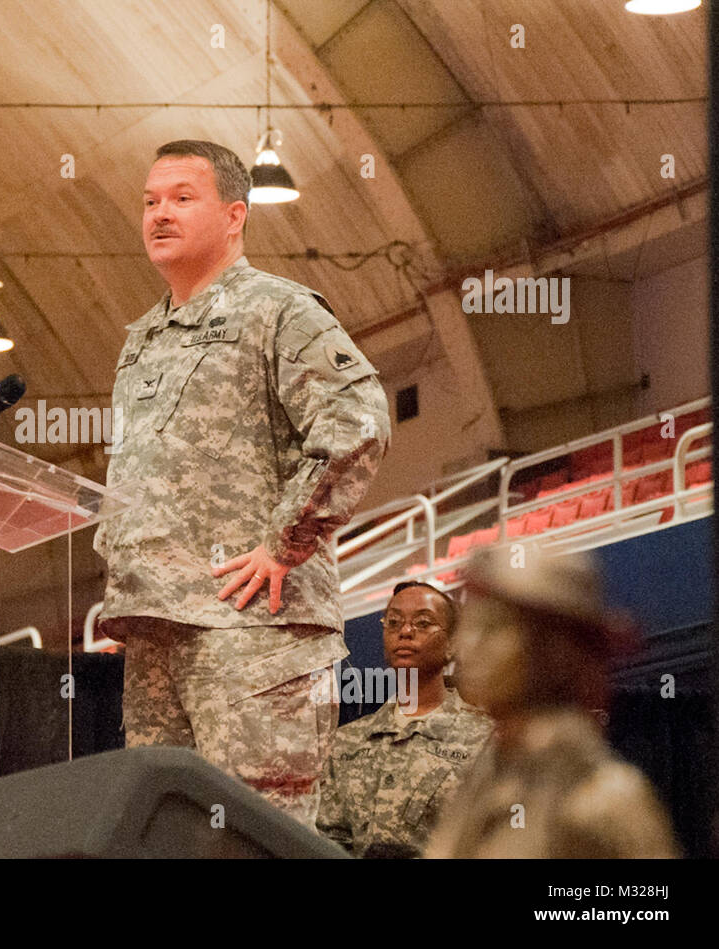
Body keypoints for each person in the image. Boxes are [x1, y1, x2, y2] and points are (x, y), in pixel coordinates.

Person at [92, 140, 390, 824]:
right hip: (158, 635)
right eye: (149, 201)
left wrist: (287, 542)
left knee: (259, 835)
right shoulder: (141, 338)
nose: (160, 213)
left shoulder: (278, 309)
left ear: (235, 216)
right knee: (166, 835)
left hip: (254, 633)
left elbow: (359, 420)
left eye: (181, 198)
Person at [425, 544, 678, 858]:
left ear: (556, 650)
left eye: (492, 627)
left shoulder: (601, 798)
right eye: (468, 625)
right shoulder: (491, 773)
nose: (466, 646)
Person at [316, 581, 493, 857]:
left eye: (423, 623)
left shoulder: (486, 739)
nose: (405, 631)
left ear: (453, 644)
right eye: (394, 622)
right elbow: (329, 840)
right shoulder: (347, 741)